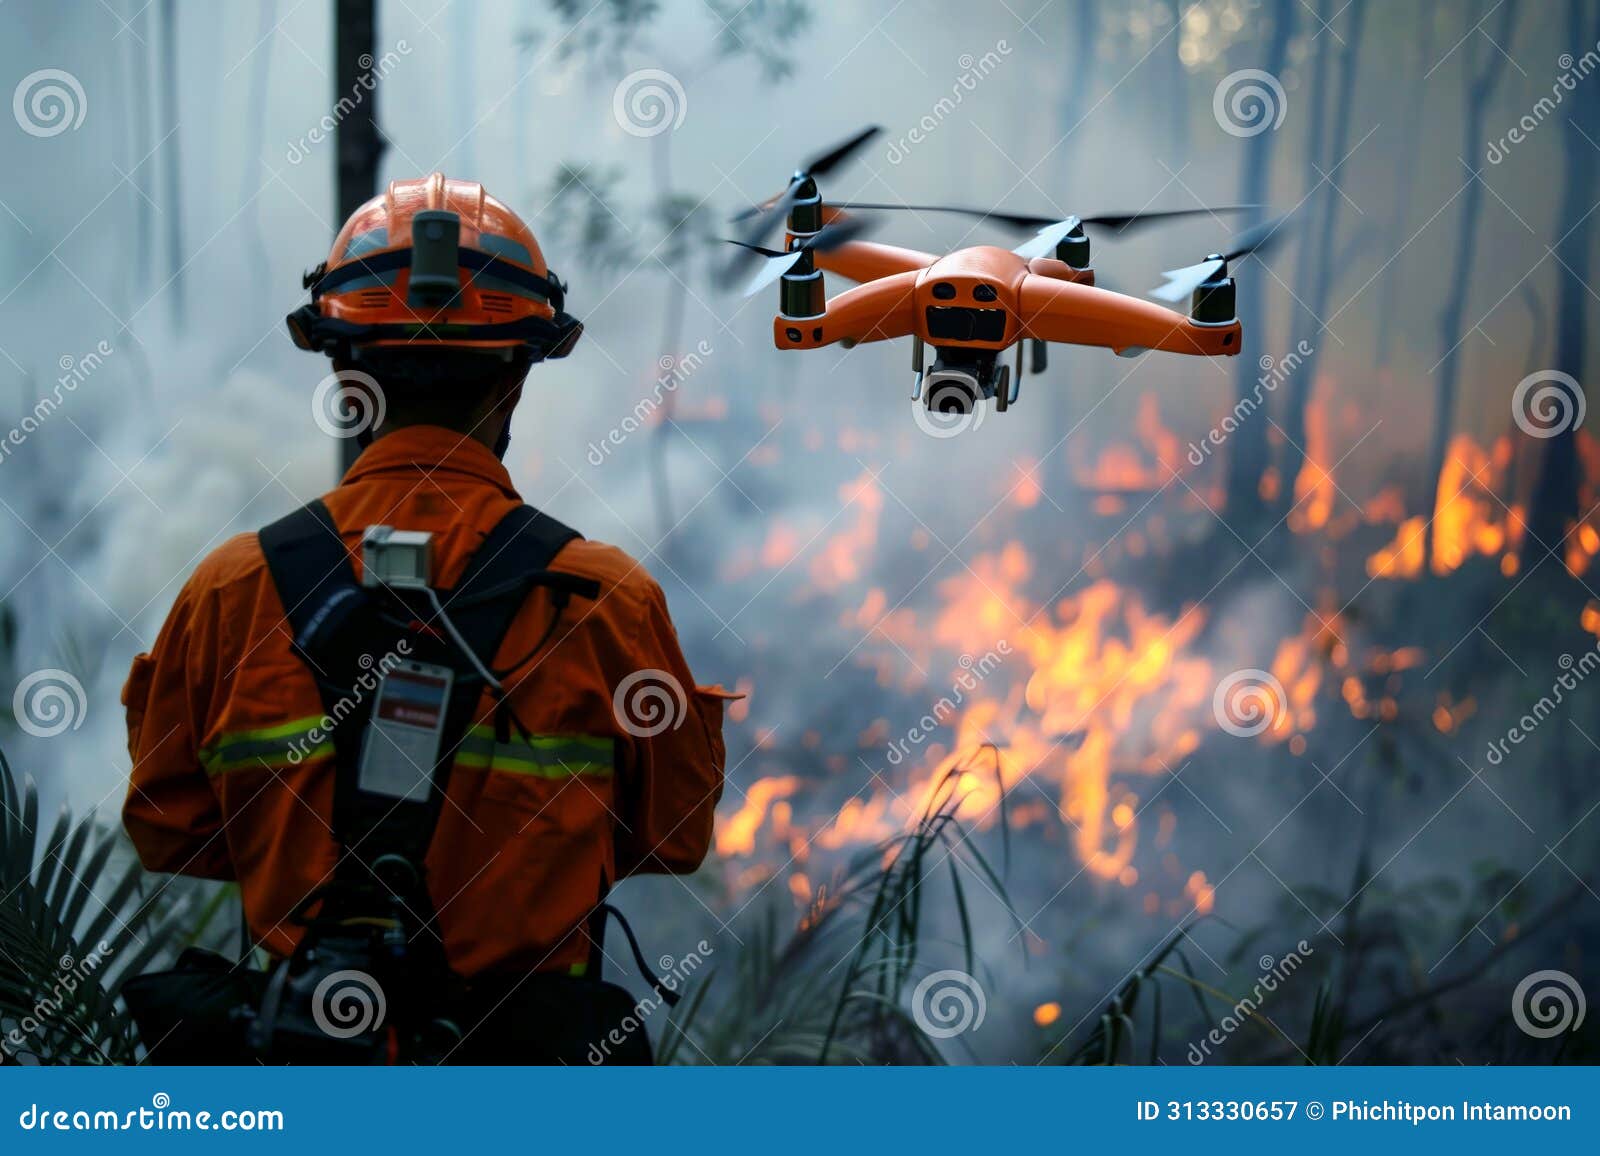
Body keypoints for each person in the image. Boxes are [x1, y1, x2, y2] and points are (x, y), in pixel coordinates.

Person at [119, 172, 732, 1064]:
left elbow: (169, 827)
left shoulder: (230, 593)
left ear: (343, 368)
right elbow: (674, 836)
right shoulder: (605, 604)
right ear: (516, 379)